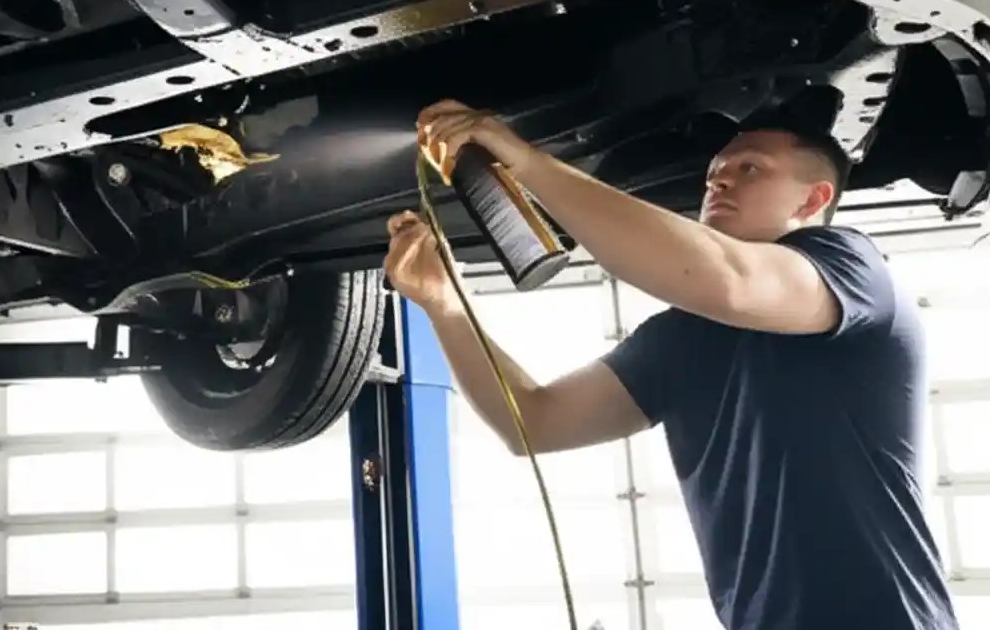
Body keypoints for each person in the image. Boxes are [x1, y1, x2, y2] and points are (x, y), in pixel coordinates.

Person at [383, 99, 959, 630]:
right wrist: (446, 307)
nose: (719, 179)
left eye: (750, 169)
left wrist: (528, 163)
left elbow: (729, 280)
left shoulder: (852, 269)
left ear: (812, 200)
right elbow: (533, 422)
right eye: (714, 173)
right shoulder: (683, 338)